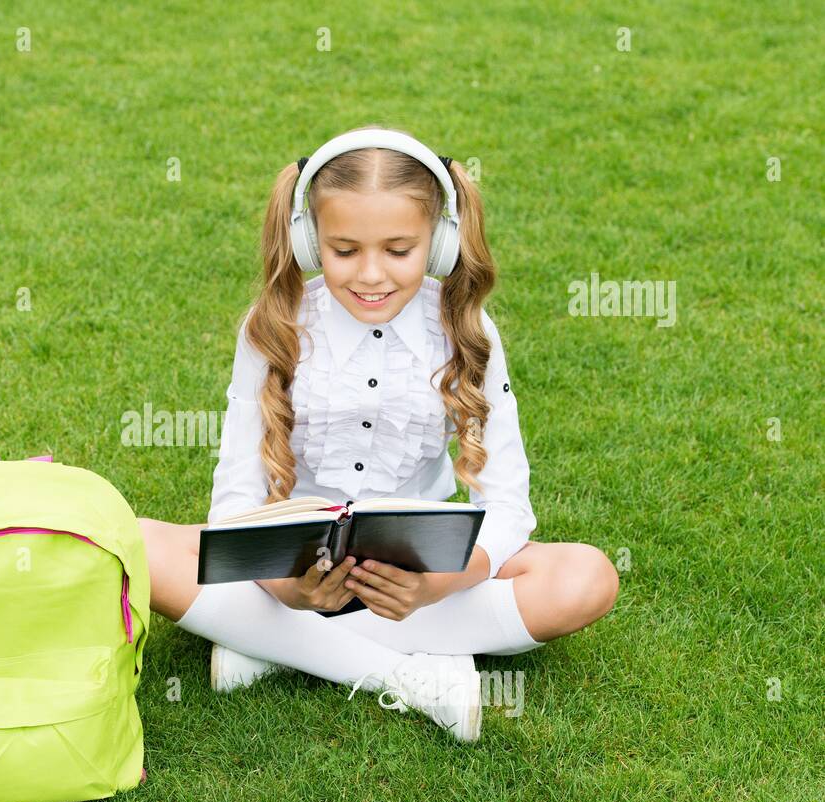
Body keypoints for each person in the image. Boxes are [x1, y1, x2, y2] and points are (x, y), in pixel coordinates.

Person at [138, 126, 618, 742]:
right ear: (309, 242)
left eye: (398, 250)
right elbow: (236, 496)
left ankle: (270, 646)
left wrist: (443, 581)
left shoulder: (468, 330)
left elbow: (506, 505)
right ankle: (405, 675)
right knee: (137, 547)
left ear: (440, 244)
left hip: (418, 572)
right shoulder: (273, 326)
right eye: (344, 250)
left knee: (587, 577)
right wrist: (284, 586)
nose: (371, 275)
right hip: (298, 564)